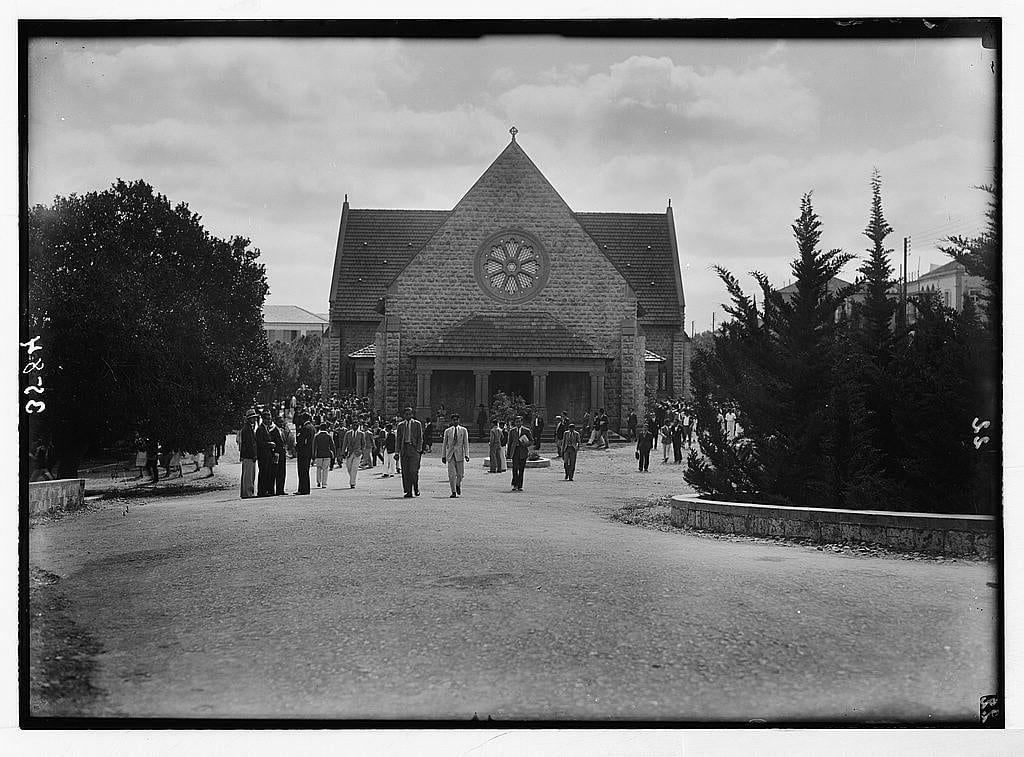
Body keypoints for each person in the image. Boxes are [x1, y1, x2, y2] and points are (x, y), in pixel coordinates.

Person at [442, 413, 470, 497]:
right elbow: (444, 444)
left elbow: (466, 443)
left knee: (460, 474)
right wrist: (443, 456)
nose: (455, 421)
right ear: (451, 421)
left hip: (459, 454)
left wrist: (467, 454)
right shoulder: (447, 431)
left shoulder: (463, 430)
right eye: (454, 420)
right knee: (452, 475)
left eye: (457, 420)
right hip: (450, 455)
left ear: (459, 420)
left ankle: (457, 484)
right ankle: (453, 491)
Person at [398, 407, 424, 498]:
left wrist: (418, 449)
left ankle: (415, 486)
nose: (408, 416)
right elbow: (398, 439)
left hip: (414, 449)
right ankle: (408, 491)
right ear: (404, 415)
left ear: (412, 414)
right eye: (406, 414)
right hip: (404, 449)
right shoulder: (400, 425)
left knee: (413, 471)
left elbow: (420, 437)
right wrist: (397, 452)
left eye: (410, 414)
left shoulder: (417, 424)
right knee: (405, 471)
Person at [506, 414, 533, 492]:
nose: (518, 423)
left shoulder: (526, 430)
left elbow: (531, 441)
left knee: (521, 469)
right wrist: (508, 453)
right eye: (516, 422)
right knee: (515, 468)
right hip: (515, 451)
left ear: (522, 422)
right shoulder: (512, 431)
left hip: (523, 451)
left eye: (519, 422)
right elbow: (510, 442)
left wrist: (525, 444)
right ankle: (515, 484)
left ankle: (520, 485)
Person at [340, 420, 366, 489]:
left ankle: (352, 483)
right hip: (349, 453)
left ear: (358, 426)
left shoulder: (361, 434)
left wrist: (362, 452)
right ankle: (353, 477)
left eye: (356, 425)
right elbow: (344, 443)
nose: (355, 427)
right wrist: (342, 452)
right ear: (351, 426)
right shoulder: (348, 433)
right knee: (349, 467)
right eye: (354, 425)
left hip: (358, 453)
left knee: (354, 468)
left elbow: (363, 444)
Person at [239, 410, 257, 497]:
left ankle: (246, 492)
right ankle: (248, 493)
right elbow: (249, 444)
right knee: (249, 476)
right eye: (253, 418)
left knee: (247, 475)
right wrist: (253, 455)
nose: (254, 419)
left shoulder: (247, 428)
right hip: (248, 455)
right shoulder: (247, 429)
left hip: (247, 455)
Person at [295, 413, 314, 494]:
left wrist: (297, 446)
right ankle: (305, 489)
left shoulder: (305, 428)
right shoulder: (312, 427)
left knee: (302, 471)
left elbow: (301, 440)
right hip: (308, 451)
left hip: (303, 452)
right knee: (305, 471)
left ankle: (303, 489)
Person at [313, 422, 335, 489]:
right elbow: (332, 446)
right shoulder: (329, 436)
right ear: (326, 428)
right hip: (327, 454)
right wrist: (333, 453)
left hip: (319, 454)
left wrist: (313, 456)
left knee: (319, 468)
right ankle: (324, 483)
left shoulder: (317, 436)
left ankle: (318, 481)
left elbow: (314, 446)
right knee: (325, 469)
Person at [271, 415, 287, 495]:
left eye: (282, 422)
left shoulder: (282, 431)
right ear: (276, 422)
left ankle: (280, 489)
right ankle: (273, 490)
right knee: (276, 472)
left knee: (282, 472)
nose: (281, 423)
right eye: (280, 422)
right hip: (277, 454)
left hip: (282, 453)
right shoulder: (273, 431)